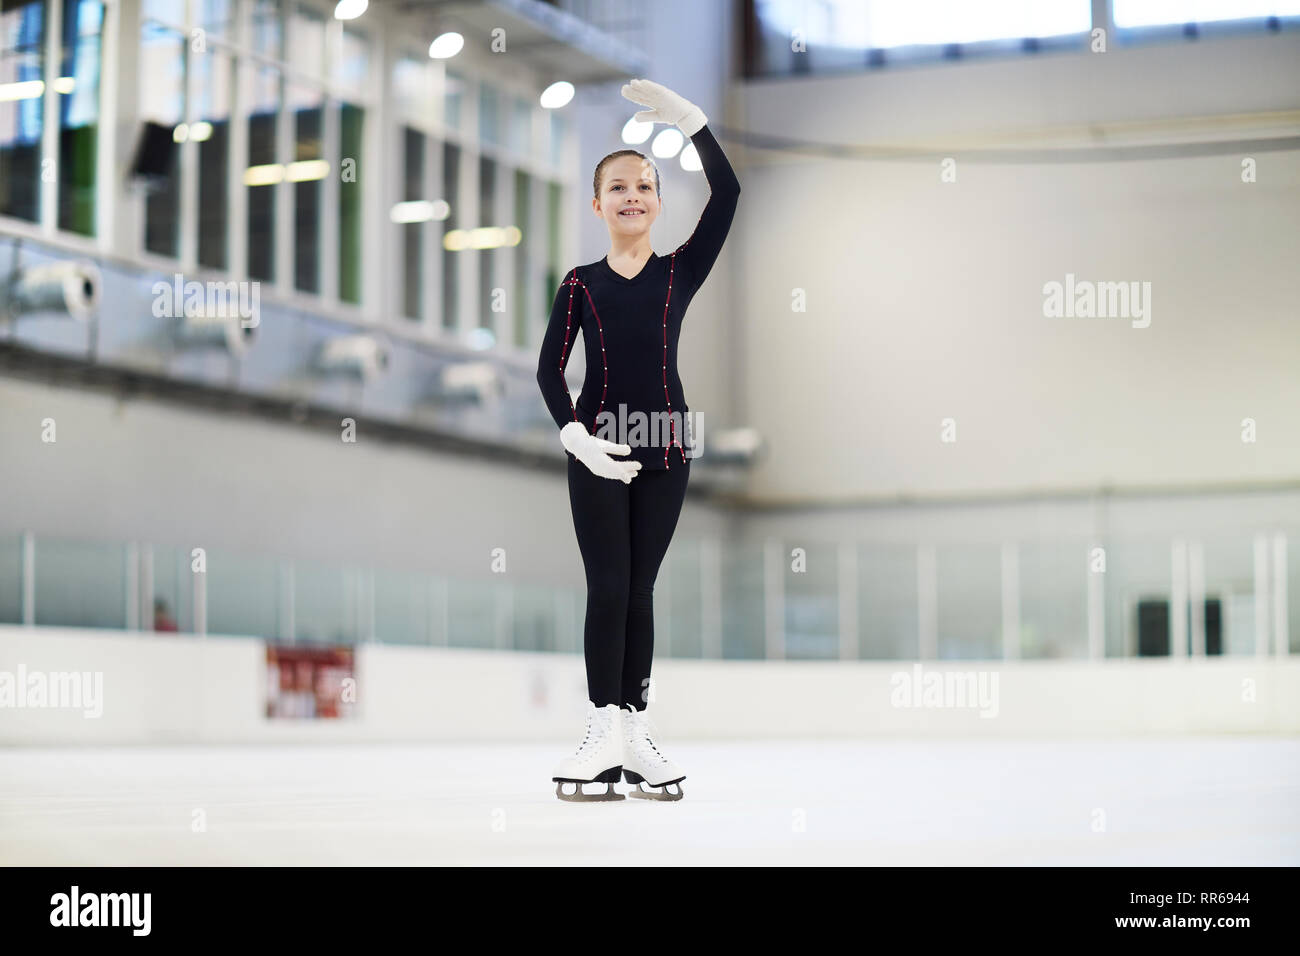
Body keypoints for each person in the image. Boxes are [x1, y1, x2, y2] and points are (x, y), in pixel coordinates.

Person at [536, 79, 740, 801]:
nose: (632, 195)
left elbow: (730, 194)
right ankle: (602, 727)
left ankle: (635, 730)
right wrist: (575, 437)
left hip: (666, 449)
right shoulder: (581, 285)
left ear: (657, 201)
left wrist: (691, 124)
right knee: (609, 585)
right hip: (599, 449)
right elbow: (548, 368)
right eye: (618, 186)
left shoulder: (678, 272)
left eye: (644, 186)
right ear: (598, 204)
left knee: (642, 590)